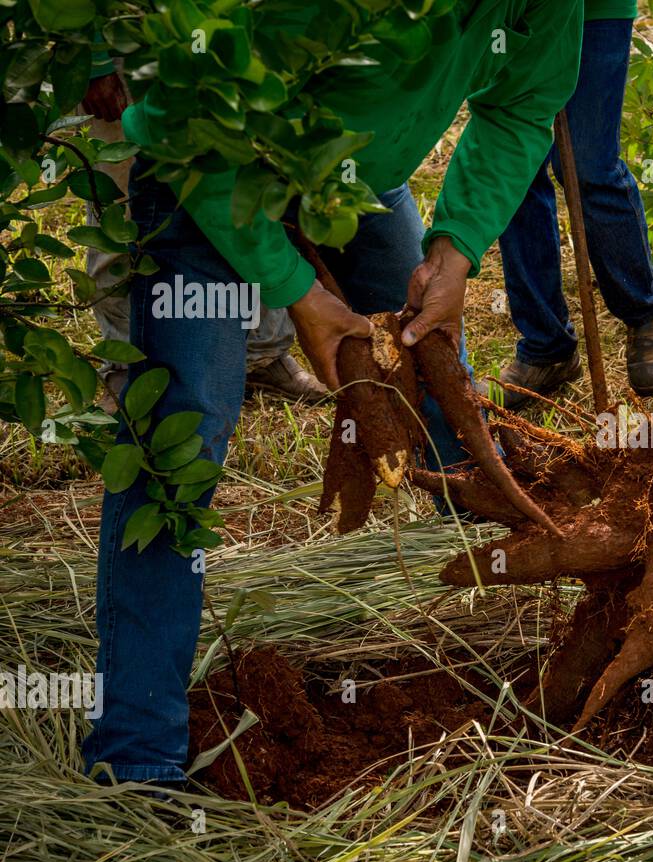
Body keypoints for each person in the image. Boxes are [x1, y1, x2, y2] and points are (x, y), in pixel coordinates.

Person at [81, 1, 583, 788]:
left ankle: (535, 604)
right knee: (180, 434)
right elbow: (184, 123)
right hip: (203, 166)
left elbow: (522, 106)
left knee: (439, 379)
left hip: (351, 182)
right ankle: (137, 751)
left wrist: (456, 249)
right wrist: (299, 296)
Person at [79, 68, 326, 409]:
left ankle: (263, 355)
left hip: (227, 59)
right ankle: (127, 366)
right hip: (129, 54)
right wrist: (97, 62)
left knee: (254, 190)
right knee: (124, 208)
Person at [494, 1, 653, 408]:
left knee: (587, 164)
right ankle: (547, 348)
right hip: (507, 14)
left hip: (595, 9)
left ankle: (645, 309)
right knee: (513, 170)